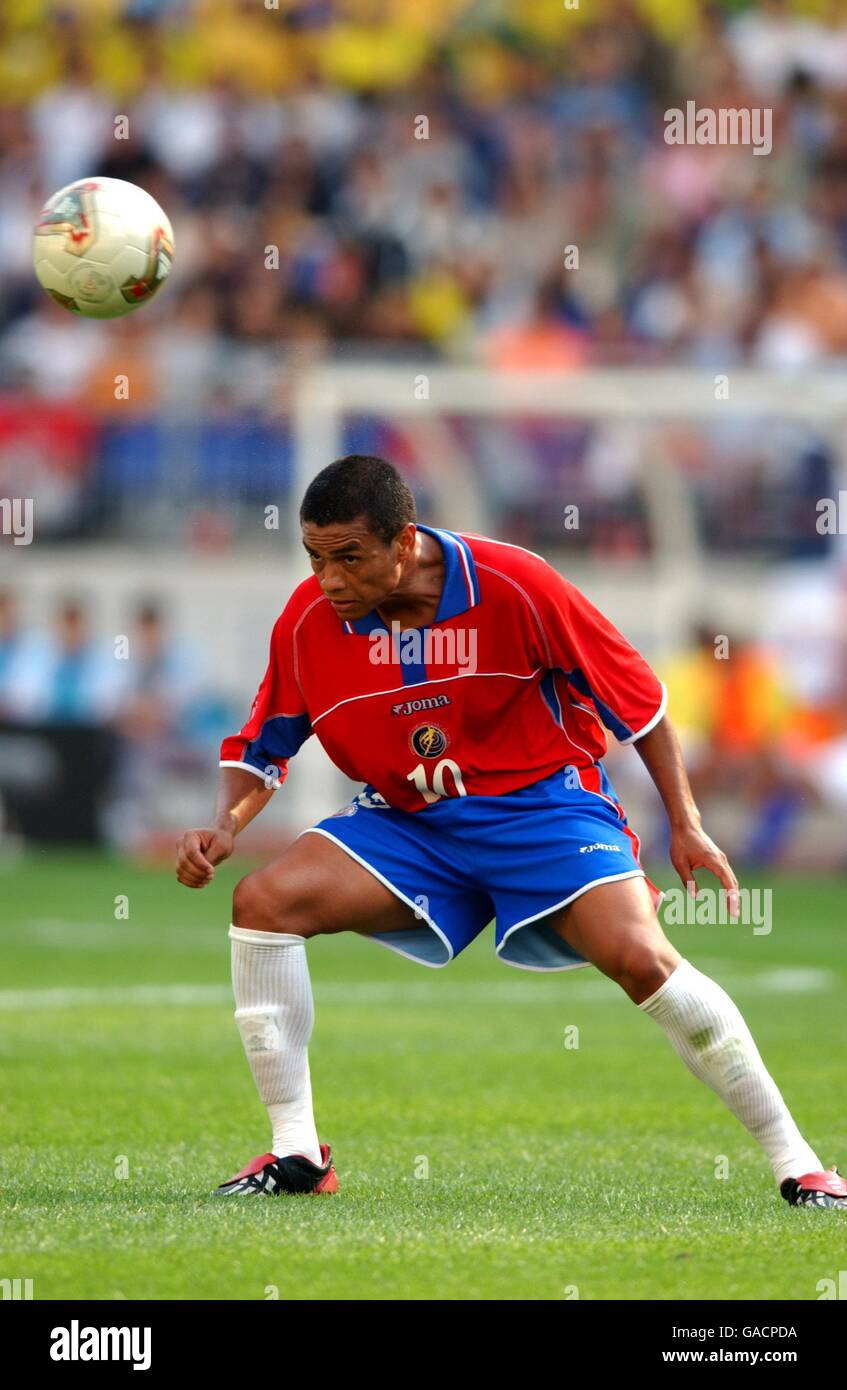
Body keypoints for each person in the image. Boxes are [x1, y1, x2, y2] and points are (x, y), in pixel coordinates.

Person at [175, 455, 844, 1209]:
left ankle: (801, 1165)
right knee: (262, 903)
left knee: (640, 960)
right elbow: (263, 745)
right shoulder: (307, 621)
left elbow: (640, 706)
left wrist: (685, 825)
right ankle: (296, 1153)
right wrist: (224, 824)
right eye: (315, 558)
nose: (328, 580)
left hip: (546, 810)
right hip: (412, 824)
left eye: (347, 558)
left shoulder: (517, 585)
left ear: (402, 542)